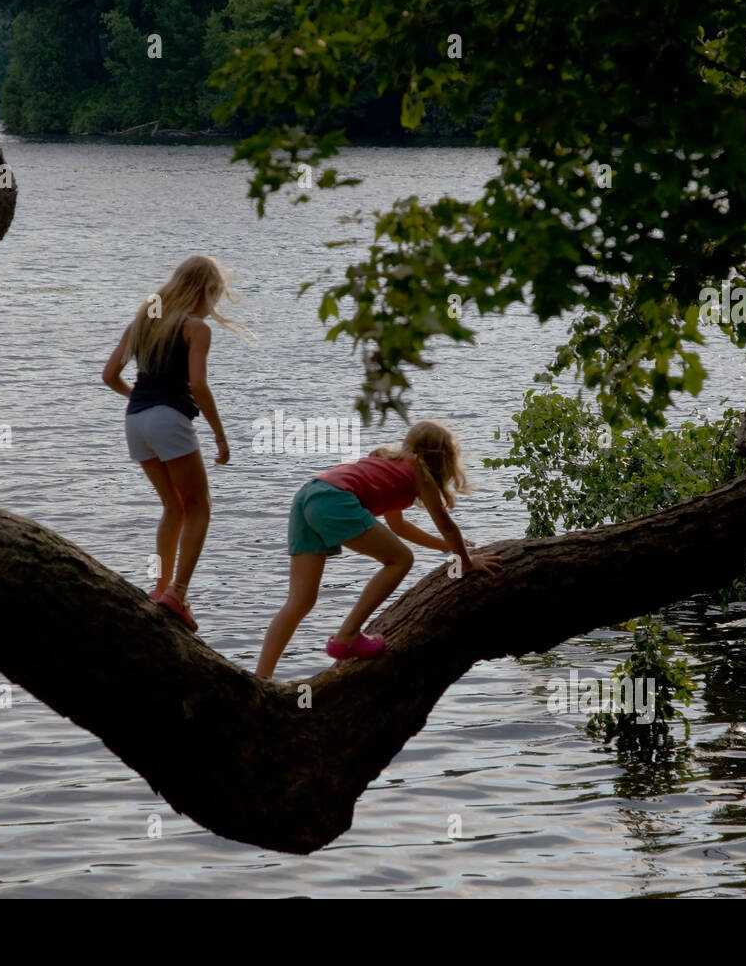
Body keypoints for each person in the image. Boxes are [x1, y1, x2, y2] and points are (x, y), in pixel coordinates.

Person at [256, 420, 501, 678]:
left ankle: (261, 678)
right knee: (402, 560)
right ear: (443, 459)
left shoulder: (391, 465)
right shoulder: (419, 472)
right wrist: (466, 561)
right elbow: (448, 526)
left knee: (300, 600)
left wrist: (445, 548)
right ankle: (347, 635)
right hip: (333, 499)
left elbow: (400, 527)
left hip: (308, 495)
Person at [102, 255, 247, 631]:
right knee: (199, 507)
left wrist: (142, 399)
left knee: (173, 507)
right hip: (169, 419)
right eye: (215, 294)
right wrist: (219, 432)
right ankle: (178, 594)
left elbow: (109, 376)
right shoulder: (195, 327)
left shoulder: (143, 319)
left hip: (135, 420)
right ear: (206, 290)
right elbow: (197, 385)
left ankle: (161, 588)